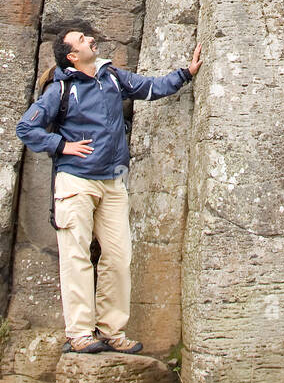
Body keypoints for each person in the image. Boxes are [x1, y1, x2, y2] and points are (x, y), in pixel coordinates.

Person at [16, 21, 201, 354]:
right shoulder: (58, 89)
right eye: (82, 40)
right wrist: (62, 145)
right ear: (72, 56)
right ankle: (80, 334)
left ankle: (112, 331)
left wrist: (186, 73)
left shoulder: (112, 76)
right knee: (76, 257)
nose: (90, 39)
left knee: (118, 257)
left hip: (112, 184)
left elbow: (150, 87)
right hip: (75, 181)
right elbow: (26, 129)